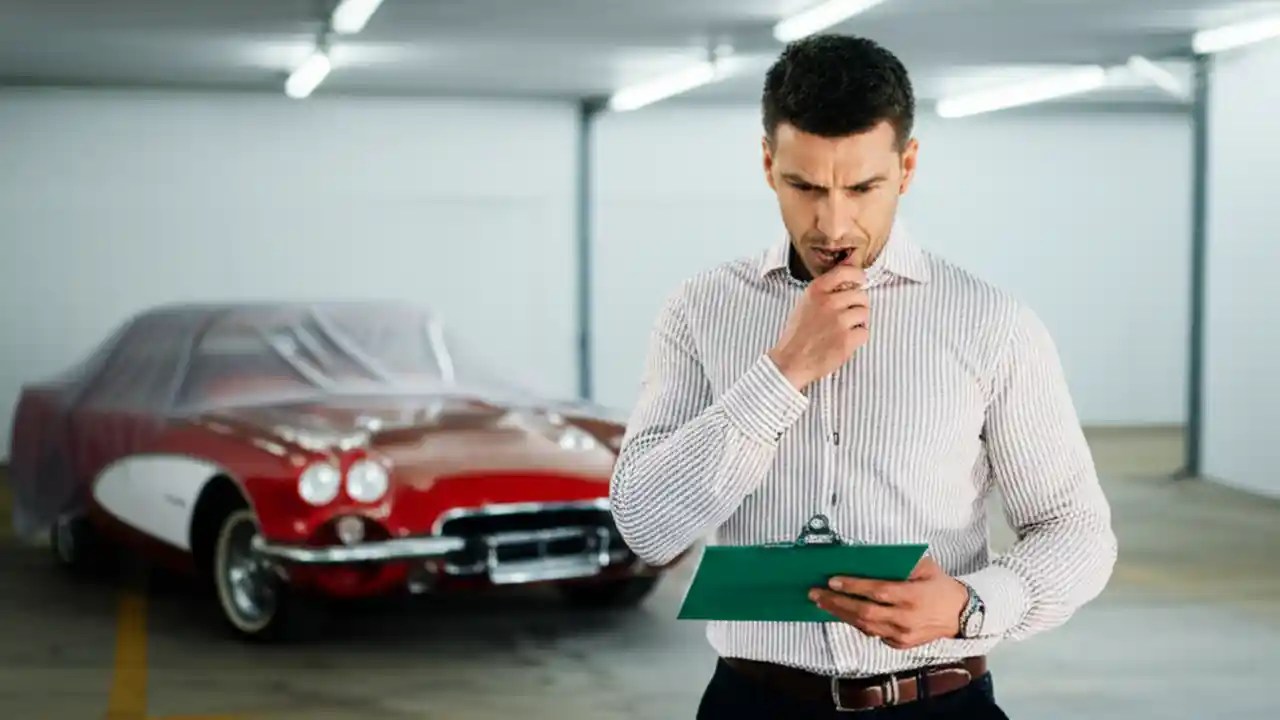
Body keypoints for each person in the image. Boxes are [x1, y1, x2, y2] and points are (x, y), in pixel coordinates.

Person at [608, 33, 1118, 719]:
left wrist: (971, 606)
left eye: (863, 187)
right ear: (767, 164)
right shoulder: (701, 310)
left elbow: (1076, 529)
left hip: (939, 700)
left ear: (907, 167)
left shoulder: (990, 323)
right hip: (753, 702)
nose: (832, 223)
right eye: (804, 186)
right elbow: (646, 526)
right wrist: (786, 370)